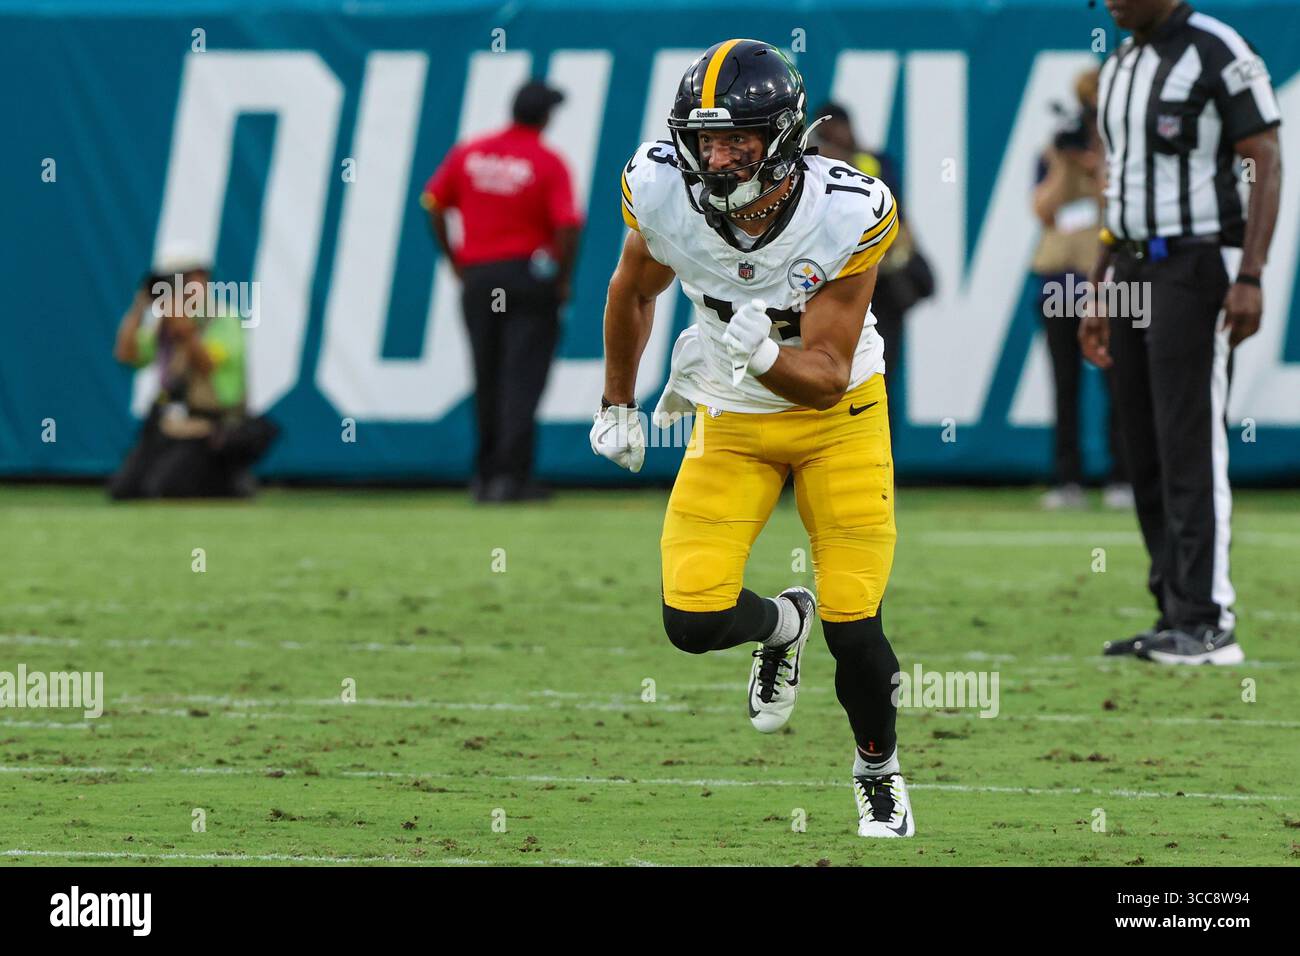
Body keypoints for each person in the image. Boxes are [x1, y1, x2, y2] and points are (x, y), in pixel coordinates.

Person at [590, 39, 913, 837]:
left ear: (783, 136)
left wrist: (766, 351)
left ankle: (878, 769)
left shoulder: (848, 209)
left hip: (839, 422)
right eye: (706, 140)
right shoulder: (660, 187)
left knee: (856, 627)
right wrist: (617, 402)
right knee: (691, 622)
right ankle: (780, 625)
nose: (719, 156)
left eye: (737, 138)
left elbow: (830, 371)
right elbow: (634, 287)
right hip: (728, 419)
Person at [1080, 0, 1282, 663]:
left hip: (1196, 262)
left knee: (1188, 438)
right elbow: (1121, 186)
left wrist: (1249, 273)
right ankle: (1174, 610)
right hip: (1134, 261)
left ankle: (1208, 620)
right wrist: (1103, 282)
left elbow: (1265, 156)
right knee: (1142, 446)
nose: (1108, 2)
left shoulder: (1218, 48)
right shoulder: (1120, 64)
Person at [422, 80, 583, 503]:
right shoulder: (547, 162)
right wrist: (562, 279)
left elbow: (432, 202)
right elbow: (568, 225)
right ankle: (512, 478)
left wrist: (453, 259)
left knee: (487, 374)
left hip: (478, 276)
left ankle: (484, 476)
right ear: (546, 117)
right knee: (522, 378)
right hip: (527, 278)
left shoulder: (471, 153)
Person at [1031, 69, 1132, 510]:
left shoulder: (1129, 150)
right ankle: (1067, 479)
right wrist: (1064, 164)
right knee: (1064, 383)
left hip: (1113, 281)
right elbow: (1045, 211)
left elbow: (1124, 204)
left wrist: (1101, 163)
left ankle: (1124, 477)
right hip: (1062, 280)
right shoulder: (1059, 152)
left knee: (1121, 381)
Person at [110, 248, 276, 499]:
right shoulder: (163, 327)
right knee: (125, 489)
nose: (176, 289)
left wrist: (184, 327)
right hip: (170, 424)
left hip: (209, 426)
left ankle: (231, 480)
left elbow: (206, 364)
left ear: (200, 279)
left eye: (182, 279)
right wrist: (139, 308)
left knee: (166, 488)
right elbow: (126, 356)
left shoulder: (223, 319)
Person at [811, 102, 933, 432]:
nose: (837, 138)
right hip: (830, 283)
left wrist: (837, 159)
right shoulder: (808, 171)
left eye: (840, 129)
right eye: (828, 134)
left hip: (882, 283)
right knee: (822, 369)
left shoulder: (872, 162)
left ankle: (881, 450)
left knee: (878, 370)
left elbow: (885, 203)